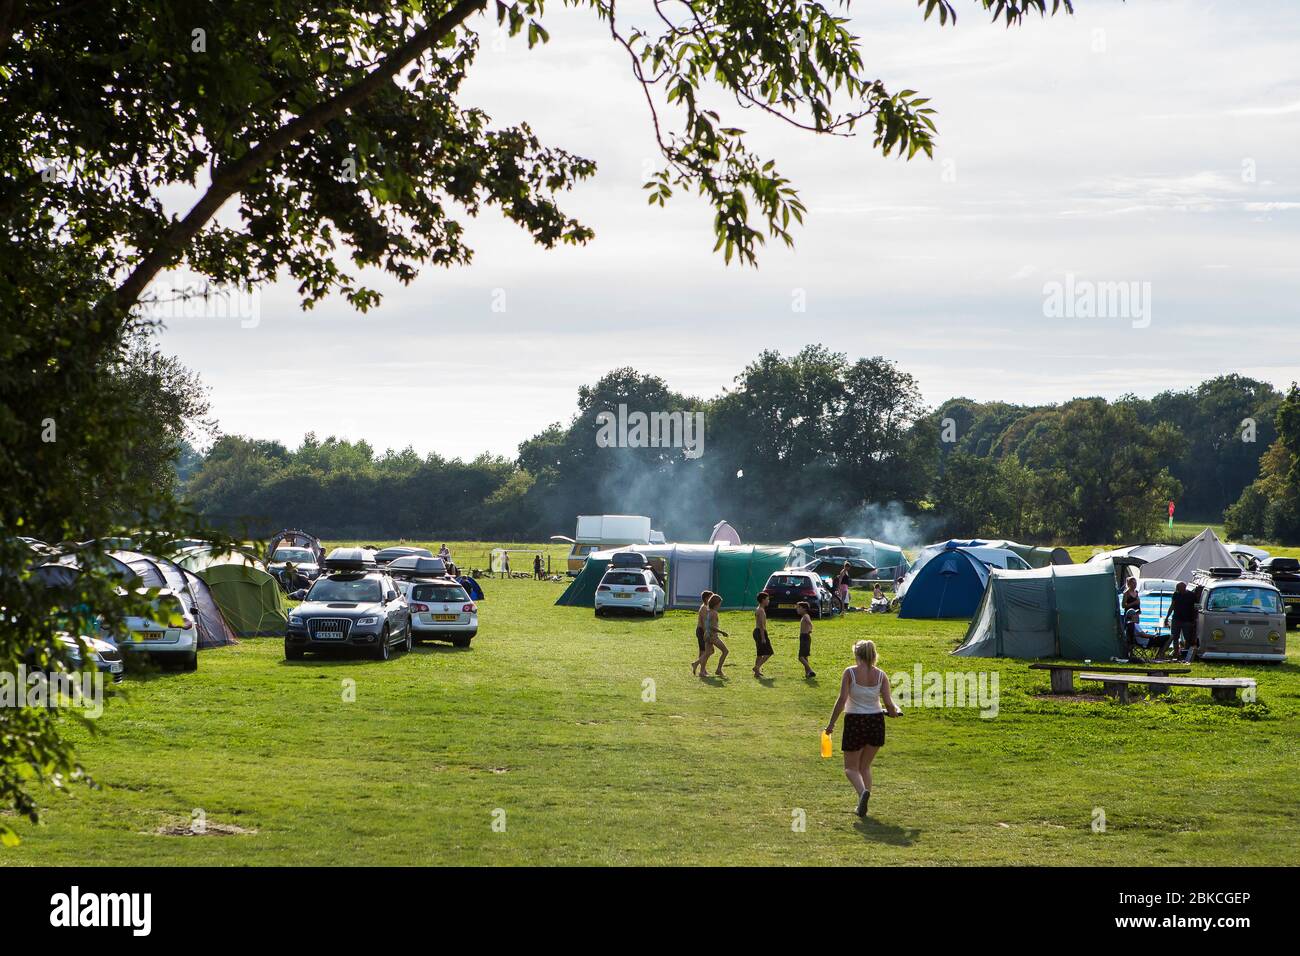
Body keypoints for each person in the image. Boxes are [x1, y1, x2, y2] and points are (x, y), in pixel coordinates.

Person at [824, 639, 901, 817]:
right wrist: (894, 712)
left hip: (855, 721)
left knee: (850, 768)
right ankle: (863, 802)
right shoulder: (881, 675)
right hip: (876, 722)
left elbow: (842, 700)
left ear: (856, 655)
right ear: (874, 655)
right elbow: (889, 703)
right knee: (865, 766)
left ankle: (862, 794)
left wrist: (831, 724)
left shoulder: (850, 673)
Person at [694, 593, 729, 678]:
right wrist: (721, 632)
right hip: (713, 636)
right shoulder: (714, 613)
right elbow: (712, 626)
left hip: (707, 635)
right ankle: (718, 670)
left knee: (707, 653)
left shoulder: (709, 611)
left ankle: (699, 668)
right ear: (716, 603)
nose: (720, 605)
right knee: (725, 651)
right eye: (720, 603)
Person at [1162, 580, 1198, 661]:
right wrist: (1167, 617)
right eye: (1177, 589)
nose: (1178, 590)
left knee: (1187, 638)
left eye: (1179, 588)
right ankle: (1176, 653)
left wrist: (1194, 619)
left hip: (1187, 620)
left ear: (1184, 587)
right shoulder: (1176, 594)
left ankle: (1185, 653)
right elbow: (1172, 606)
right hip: (1176, 619)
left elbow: (1195, 608)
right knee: (1174, 637)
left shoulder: (1192, 595)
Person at [692, 590, 714, 675]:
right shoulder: (704, 608)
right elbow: (705, 622)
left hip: (703, 631)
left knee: (705, 651)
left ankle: (701, 669)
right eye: (710, 597)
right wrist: (707, 634)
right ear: (706, 598)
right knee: (707, 651)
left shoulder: (707, 607)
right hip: (702, 631)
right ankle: (699, 667)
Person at [752, 591, 774, 678]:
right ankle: (756, 667)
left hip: (758, 632)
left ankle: (756, 673)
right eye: (767, 599)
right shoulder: (760, 610)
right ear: (763, 600)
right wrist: (763, 637)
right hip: (760, 632)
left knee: (760, 653)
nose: (768, 601)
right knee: (769, 652)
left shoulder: (759, 609)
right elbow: (761, 624)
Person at [797, 601, 815, 678]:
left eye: (799, 608)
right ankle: (807, 673)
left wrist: (810, 629)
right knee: (805, 656)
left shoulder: (805, 616)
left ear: (804, 609)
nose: (797, 609)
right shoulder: (804, 616)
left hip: (805, 637)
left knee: (800, 657)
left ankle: (810, 670)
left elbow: (810, 623)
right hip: (803, 637)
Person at [1122, 577, 1141, 648]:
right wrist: (1134, 603)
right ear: (1129, 584)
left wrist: (1139, 610)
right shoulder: (1126, 593)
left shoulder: (1136, 592)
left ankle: (1134, 647)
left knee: (1136, 631)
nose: (1135, 584)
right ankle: (1128, 649)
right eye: (1133, 583)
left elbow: (1138, 603)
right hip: (1129, 615)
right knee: (1130, 633)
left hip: (1136, 615)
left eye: (1135, 583)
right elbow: (1123, 605)